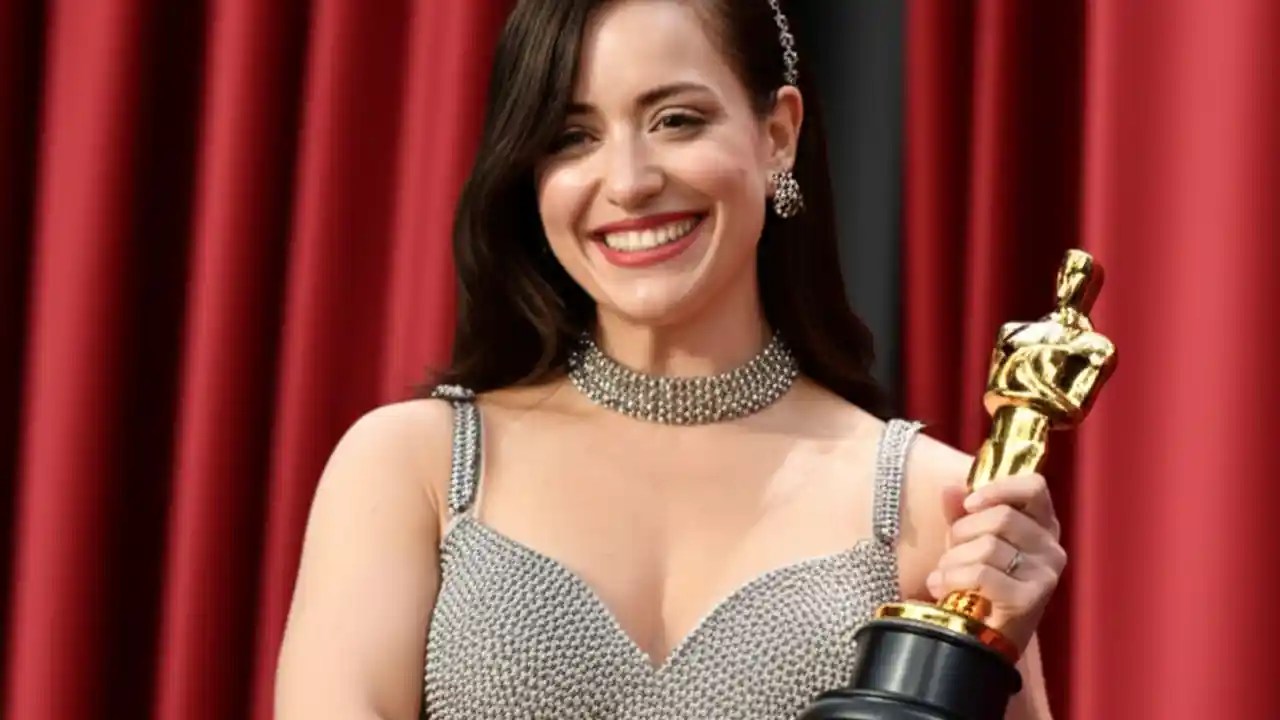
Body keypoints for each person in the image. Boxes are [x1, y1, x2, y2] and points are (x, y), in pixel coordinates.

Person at [274, 1, 1065, 718]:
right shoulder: (414, 466)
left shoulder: (940, 502)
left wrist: (990, 656)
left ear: (778, 135)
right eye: (571, 136)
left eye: (677, 120)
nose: (628, 181)